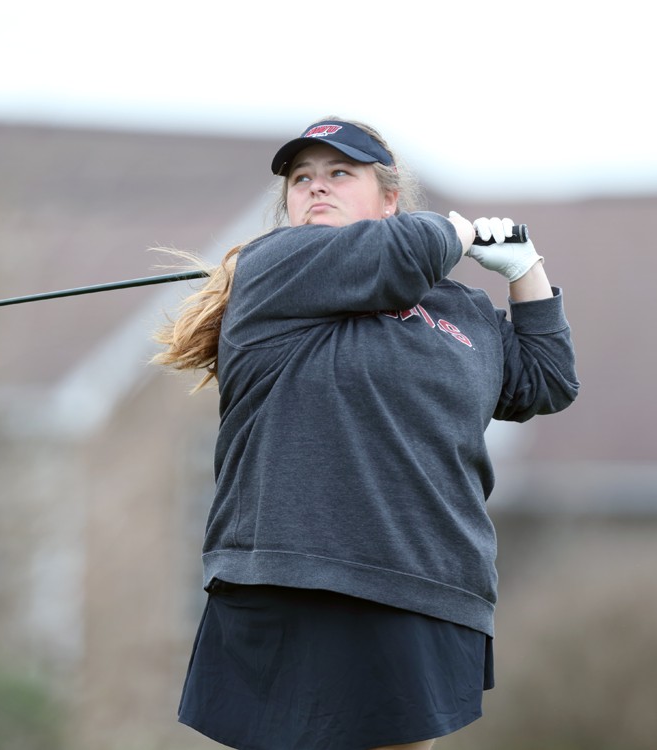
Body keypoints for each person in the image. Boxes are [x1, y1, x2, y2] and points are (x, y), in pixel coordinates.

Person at [153, 116, 579, 750]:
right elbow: (403, 252)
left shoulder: (456, 309)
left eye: (339, 174)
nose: (316, 188)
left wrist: (526, 268)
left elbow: (547, 380)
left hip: (427, 583)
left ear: (389, 199)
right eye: (302, 179)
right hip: (296, 574)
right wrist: (458, 231)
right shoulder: (275, 267)